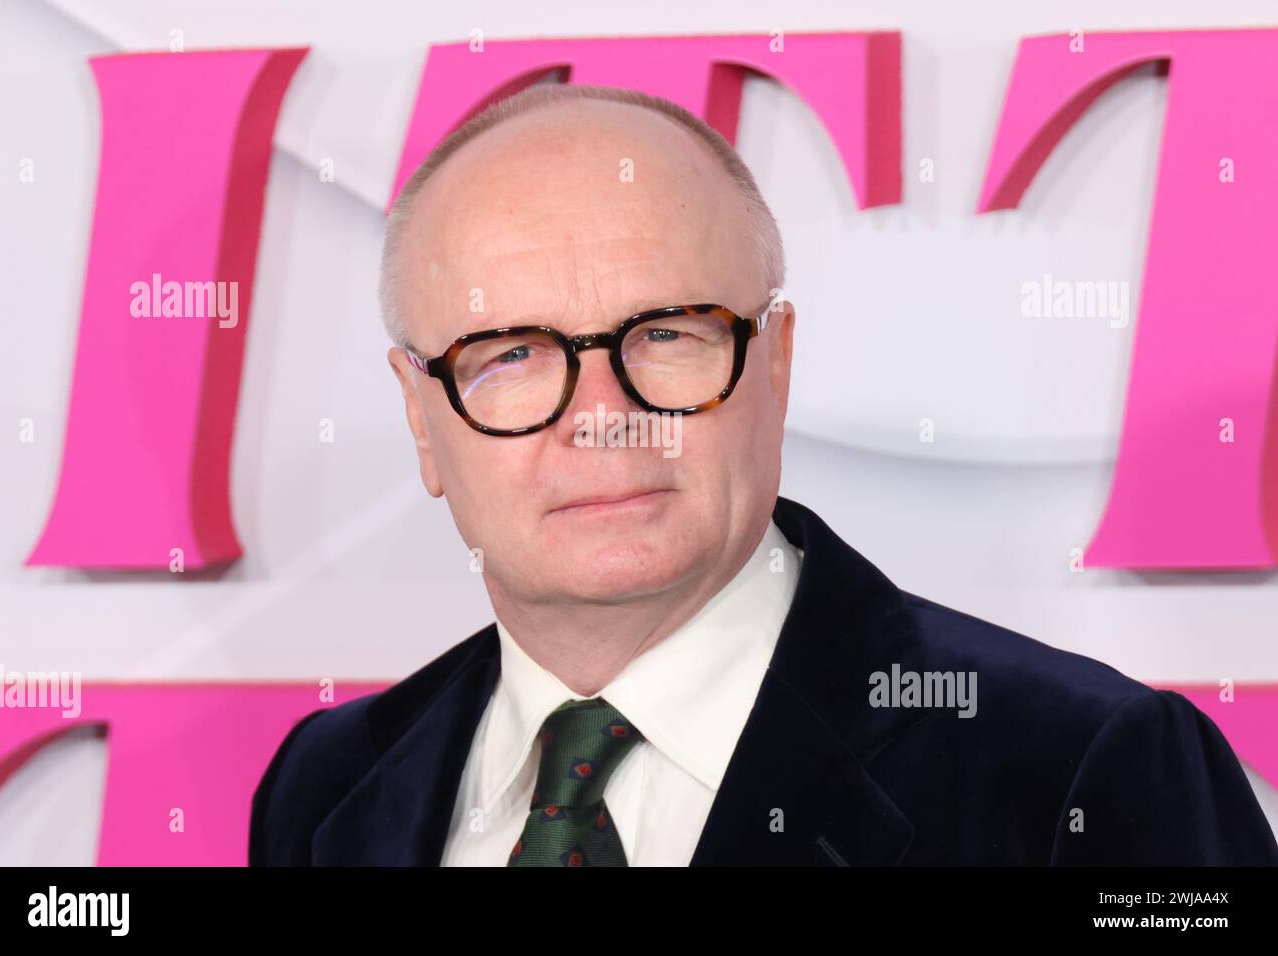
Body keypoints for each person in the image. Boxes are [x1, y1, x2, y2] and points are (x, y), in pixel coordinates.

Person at [249, 83, 1278, 866]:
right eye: (510, 355)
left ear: (774, 364)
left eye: (664, 334)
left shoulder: (1081, 770)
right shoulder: (328, 784)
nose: (602, 418)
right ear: (421, 416)